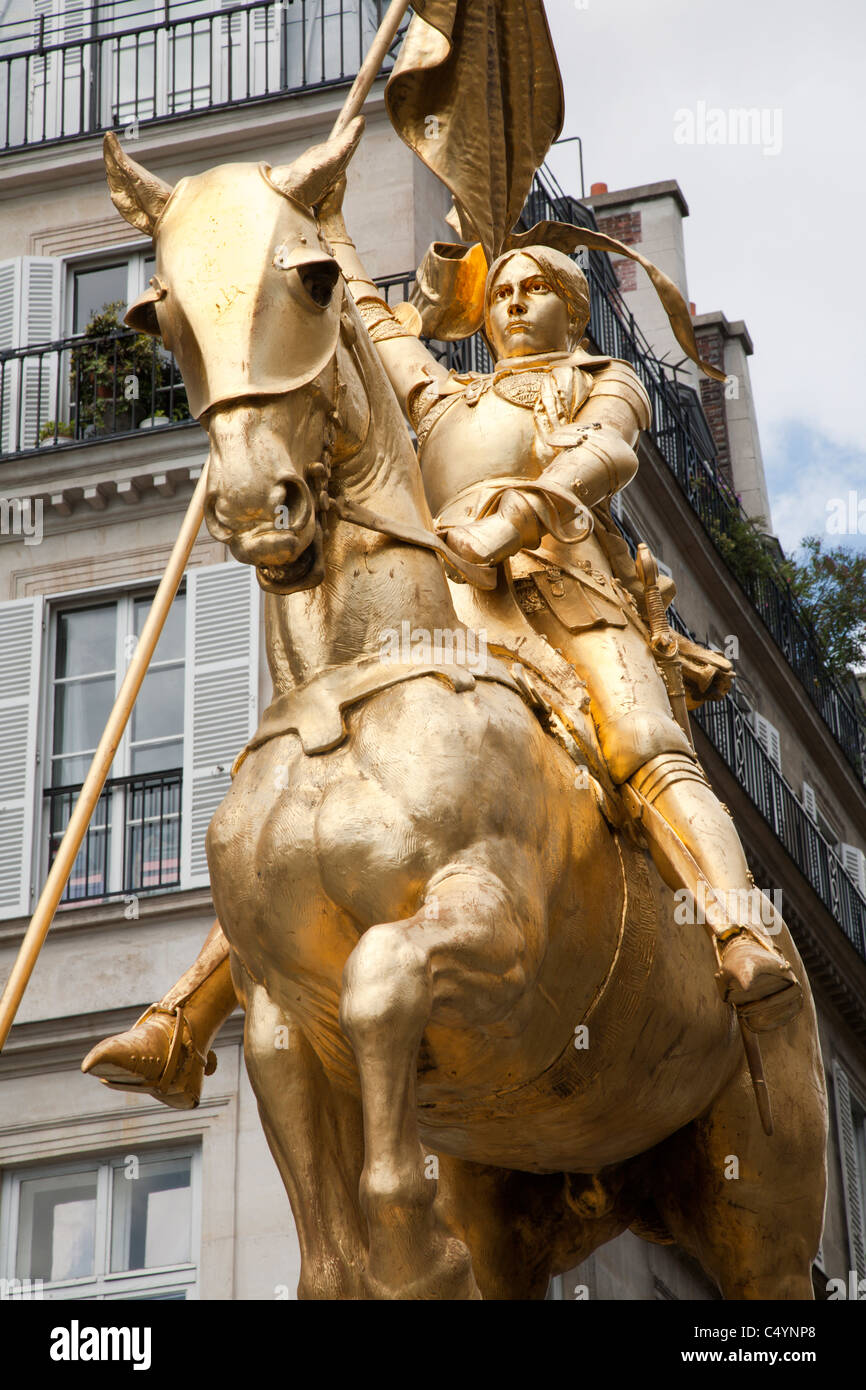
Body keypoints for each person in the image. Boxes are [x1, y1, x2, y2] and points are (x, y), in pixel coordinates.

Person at [83, 191, 801, 1109]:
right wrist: (332, 231)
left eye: (534, 287)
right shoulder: (452, 396)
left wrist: (519, 512)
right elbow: (378, 329)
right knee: (309, 784)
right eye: (500, 289)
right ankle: (186, 1017)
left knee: (641, 745)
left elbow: (606, 456)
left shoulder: (601, 378)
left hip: (565, 593)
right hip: (449, 606)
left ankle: (738, 932)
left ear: (570, 309)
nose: (511, 301)